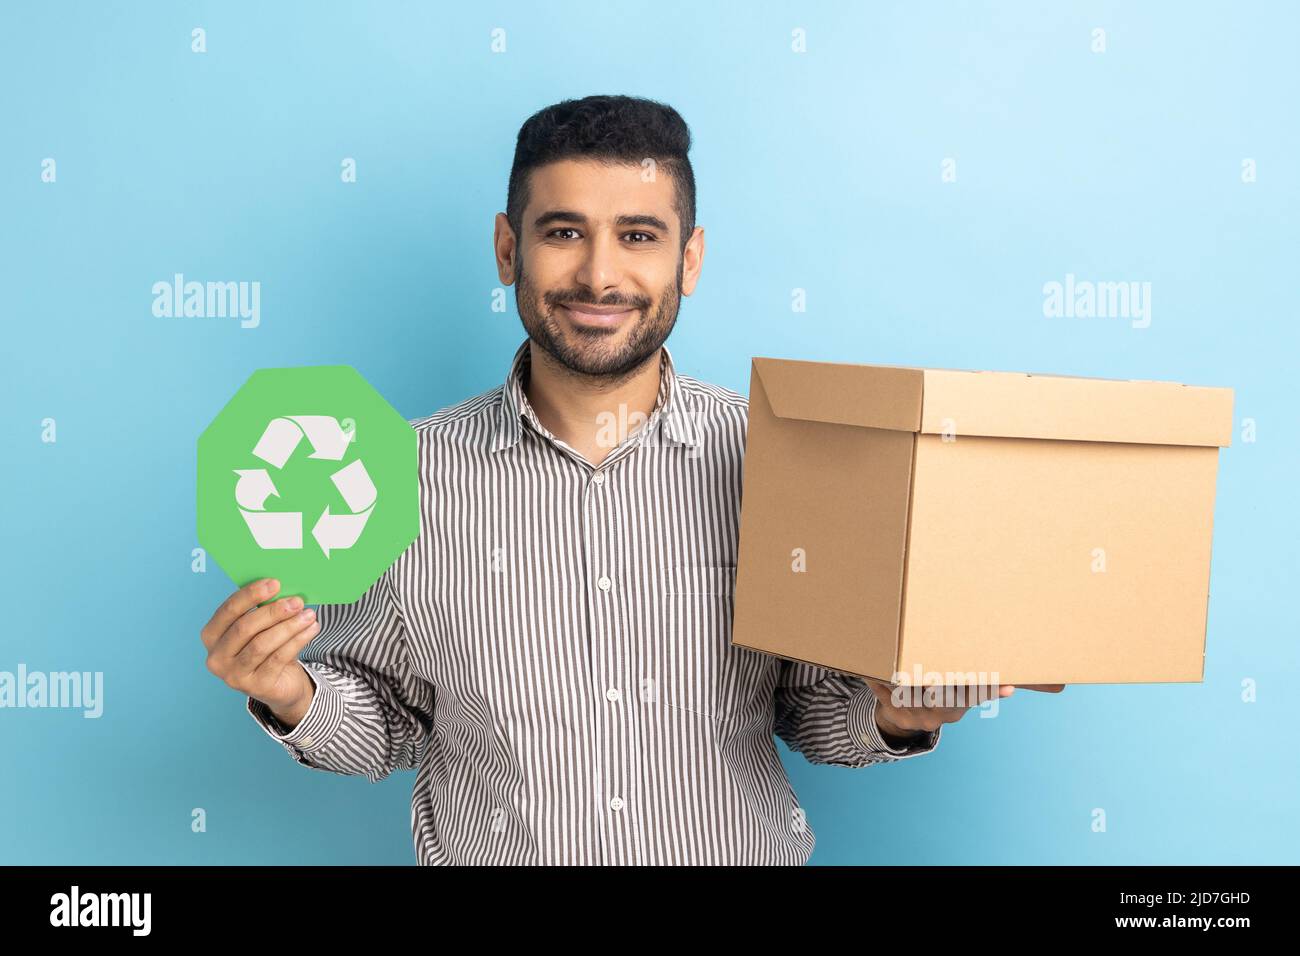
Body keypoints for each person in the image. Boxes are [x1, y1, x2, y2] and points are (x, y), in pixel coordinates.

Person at [200, 94, 1063, 865]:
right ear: (509, 249)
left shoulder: (783, 463)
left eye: (638, 236)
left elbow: (813, 712)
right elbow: (391, 722)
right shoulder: (401, 476)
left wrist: (902, 712)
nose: (600, 275)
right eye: (563, 231)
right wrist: (290, 692)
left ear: (688, 259)